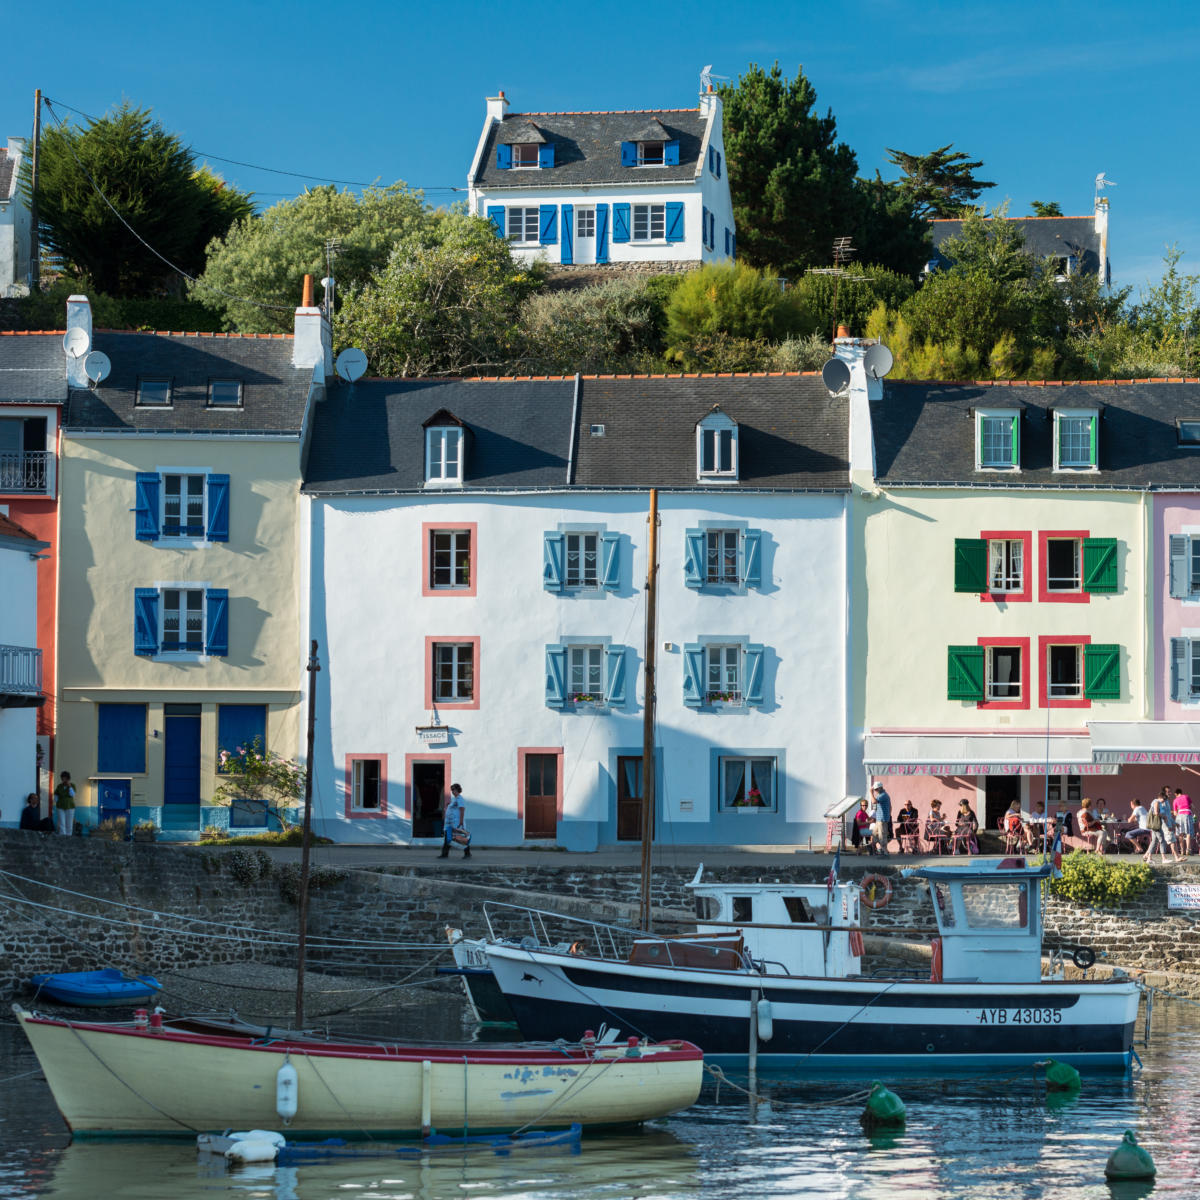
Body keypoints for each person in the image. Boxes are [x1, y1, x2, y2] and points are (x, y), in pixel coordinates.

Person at [440, 783, 470, 859]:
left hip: (456, 823)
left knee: (460, 838)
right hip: (450, 823)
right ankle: (444, 854)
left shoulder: (460, 799)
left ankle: (467, 853)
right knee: (448, 837)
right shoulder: (455, 799)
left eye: (454, 790)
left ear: (457, 790)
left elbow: (462, 810)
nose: (452, 791)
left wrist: (461, 822)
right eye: (452, 790)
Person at [870, 782, 892, 857]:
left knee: (882, 836)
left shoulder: (883, 795)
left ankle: (884, 852)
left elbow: (874, 802)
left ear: (880, 788)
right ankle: (874, 849)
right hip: (879, 819)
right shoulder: (882, 795)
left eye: (876, 789)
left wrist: (871, 793)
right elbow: (890, 807)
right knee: (874, 835)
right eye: (874, 790)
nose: (875, 791)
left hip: (882, 819)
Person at [53, 771, 76, 837]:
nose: (64, 780)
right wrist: (57, 801)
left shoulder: (72, 785)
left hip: (70, 807)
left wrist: (70, 787)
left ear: (68, 779)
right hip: (60, 807)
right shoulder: (59, 786)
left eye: (65, 778)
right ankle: (62, 837)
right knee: (61, 823)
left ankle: (69, 837)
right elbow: (56, 795)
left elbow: (72, 794)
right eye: (63, 778)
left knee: (69, 823)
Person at [1173, 788, 1193, 857]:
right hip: (1188, 814)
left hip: (1179, 816)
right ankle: (1188, 850)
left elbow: (1175, 813)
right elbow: (1192, 806)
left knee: (1180, 833)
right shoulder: (1186, 796)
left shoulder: (1175, 800)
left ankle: (1182, 850)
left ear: (1176, 794)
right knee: (1188, 833)